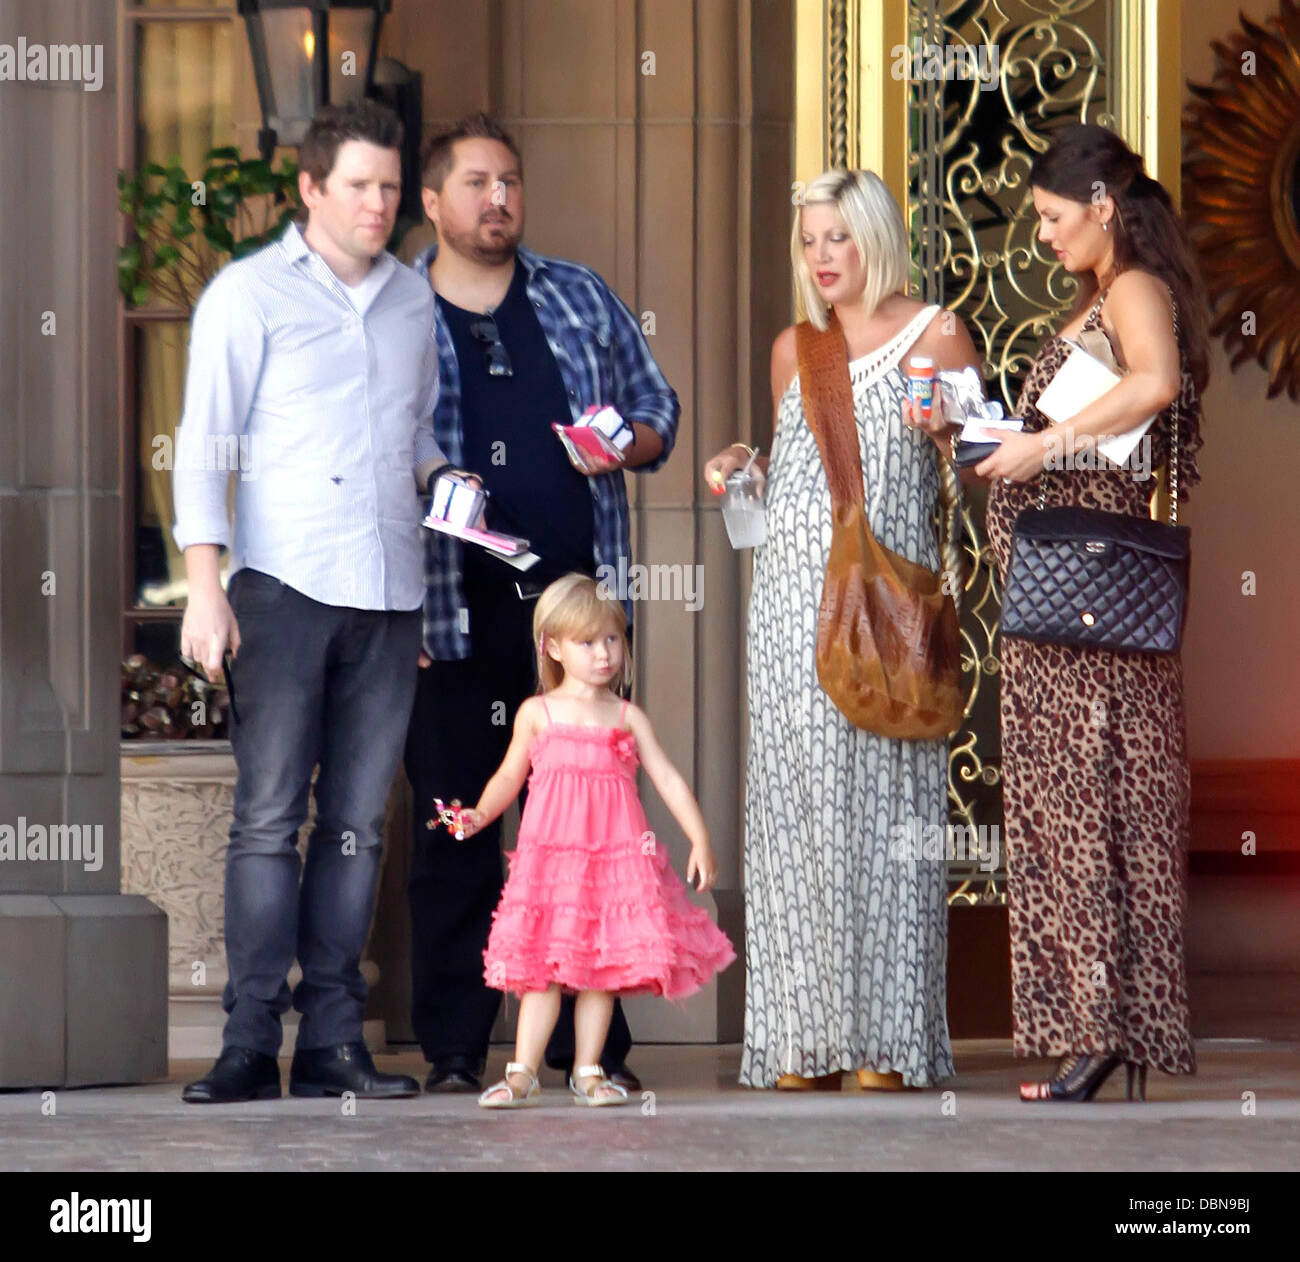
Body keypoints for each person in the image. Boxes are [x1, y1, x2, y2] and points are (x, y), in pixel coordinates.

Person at [175, 102, 450, 1103]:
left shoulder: (413, 303)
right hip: (280, 588)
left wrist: (445, 476)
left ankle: (336, 1040)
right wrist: (205, 587)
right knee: (266, 819)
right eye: (360, 187)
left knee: (357, 827)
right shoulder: (244, 296)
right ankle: (248, 1043)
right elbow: (205, 447)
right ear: (310, 190)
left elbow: (411, 432)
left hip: (388, 594)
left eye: (389, 187)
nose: (379, 205)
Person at [404, 113, 680, 1094]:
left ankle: (588, 1048)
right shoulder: (395, 306)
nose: (498, 198)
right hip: (450, 610)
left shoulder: (578, 293)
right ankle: (451, 1040)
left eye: (510, 180)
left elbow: (659, 410)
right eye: (476, 182)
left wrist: (626, 442)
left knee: (594, 829)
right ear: (432, 201)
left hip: (574, 617)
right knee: (457, 823)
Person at [705, 169, 978, 1091]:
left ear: (875, 238)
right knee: (798, 822)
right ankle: (803, 1041)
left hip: (889, 610)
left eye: (839, 238)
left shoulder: (935, 331)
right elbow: (794, 474)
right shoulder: (796, 348)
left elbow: (986, 467)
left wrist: (949, 428)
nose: (822, 257)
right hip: (791, 609)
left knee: (887, 817)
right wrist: (746, 466)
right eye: (810, 241)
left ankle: (886, 1045)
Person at [968, 123, 1205, 1101]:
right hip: (1060, 611)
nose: (1045, 236)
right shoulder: (1098, 299)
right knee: (1069, 810)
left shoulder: (1136, 290)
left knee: (1097, 811)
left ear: (1104, 204)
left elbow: (1157, 383)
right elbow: (1087, 430)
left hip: (1091, 610)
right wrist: (988, 431)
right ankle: (1101, 1028)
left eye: (1054, 217)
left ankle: (1109, 1030)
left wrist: (1039, 444)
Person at [448, 574, 735, 1108]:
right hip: (553, 866)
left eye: (613, 639)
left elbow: (668, 777)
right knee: (543, 973)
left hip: (612, 865)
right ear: (552, 647)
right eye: (587, 642)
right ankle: (521, 1073)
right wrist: (478, 814)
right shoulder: (537, 713)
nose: (605, 654)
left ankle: (587, 1070)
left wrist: (700, 837)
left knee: (601, 973)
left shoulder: (627, 716)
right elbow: (509, 777)